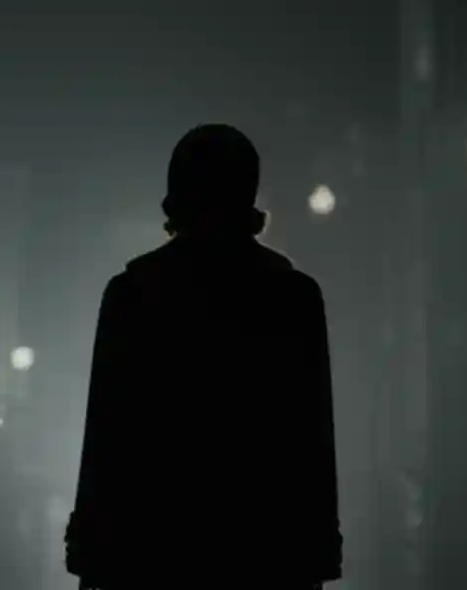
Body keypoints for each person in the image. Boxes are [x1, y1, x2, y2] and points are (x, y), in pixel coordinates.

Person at [65, 124, 342, 589]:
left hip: (150, 551)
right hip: (264, 552)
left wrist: (94, 550)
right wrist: (313, 553)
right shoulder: (293, 298)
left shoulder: (132, 294)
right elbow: (310, 437)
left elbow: (108, 433)